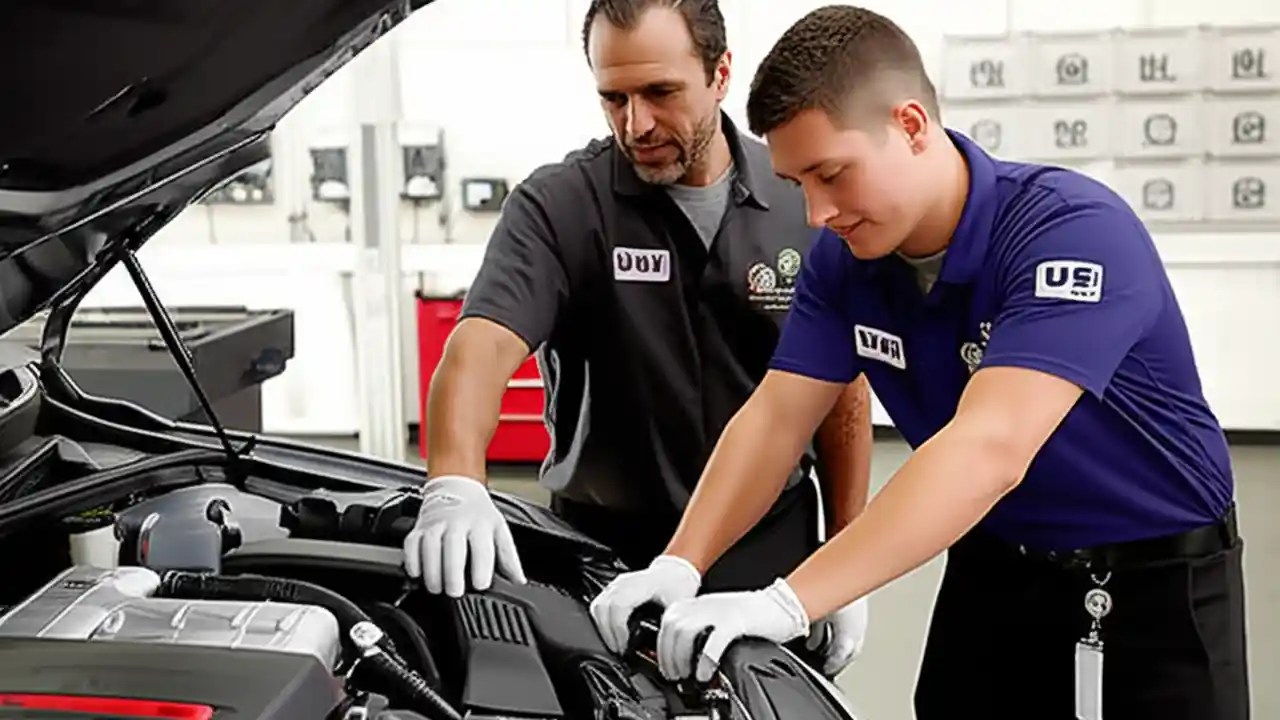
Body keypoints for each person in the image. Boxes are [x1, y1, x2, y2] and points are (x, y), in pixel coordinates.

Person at [589, 5, 1251, 719]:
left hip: (1154, 587)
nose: (815, 213)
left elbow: (988, 450)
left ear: (909, 125)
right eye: (797, 182)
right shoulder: (845, 264)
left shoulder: (1072, 232)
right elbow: (777, 419)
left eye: (831, 174)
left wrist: (794, 598)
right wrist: (680, 563)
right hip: (995, 568)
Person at [400, 0, 874, 677]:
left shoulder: (804, 196)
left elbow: (841, 390)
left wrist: (844, 555)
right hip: (604, 560)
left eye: (660, 93)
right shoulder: (561, 207)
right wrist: (453, 480)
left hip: (766, 557)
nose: (636, 123)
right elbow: (479, 347)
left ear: (720, 74)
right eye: (613, 98)